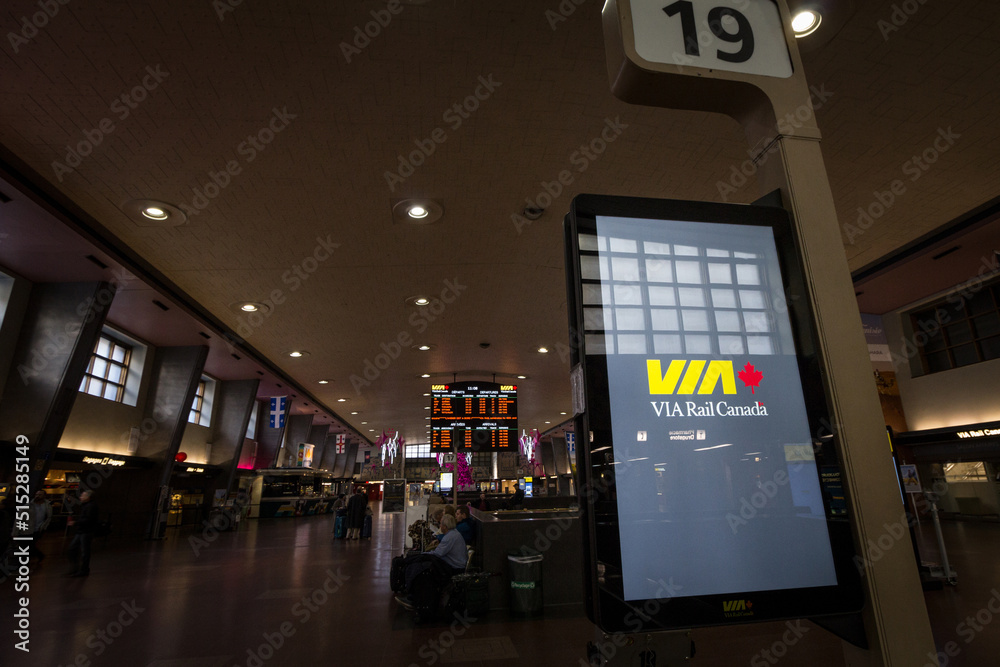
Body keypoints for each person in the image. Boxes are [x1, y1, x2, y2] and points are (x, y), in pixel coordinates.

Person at [66, 490, 98, 577]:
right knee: (75, 549)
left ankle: (82, 570)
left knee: (84, 551)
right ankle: (77, 568)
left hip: (86, 531)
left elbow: (88, 519)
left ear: (88, 497)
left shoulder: (90, 506)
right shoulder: (87, 506)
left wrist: (75, 523)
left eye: (83, 496)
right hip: (83, 531)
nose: (80, 497)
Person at [30, 490, 53, 562]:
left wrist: (44, 526)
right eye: (36, 494)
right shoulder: (31, 504)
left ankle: (37, 556)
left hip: (39, 527)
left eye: (40, 495)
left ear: (44, 496)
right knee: (29, 543)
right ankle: (38, 555)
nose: (37, 496)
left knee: (31, 543)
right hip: (30, 526)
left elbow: (49, 516)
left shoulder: (47, 505)